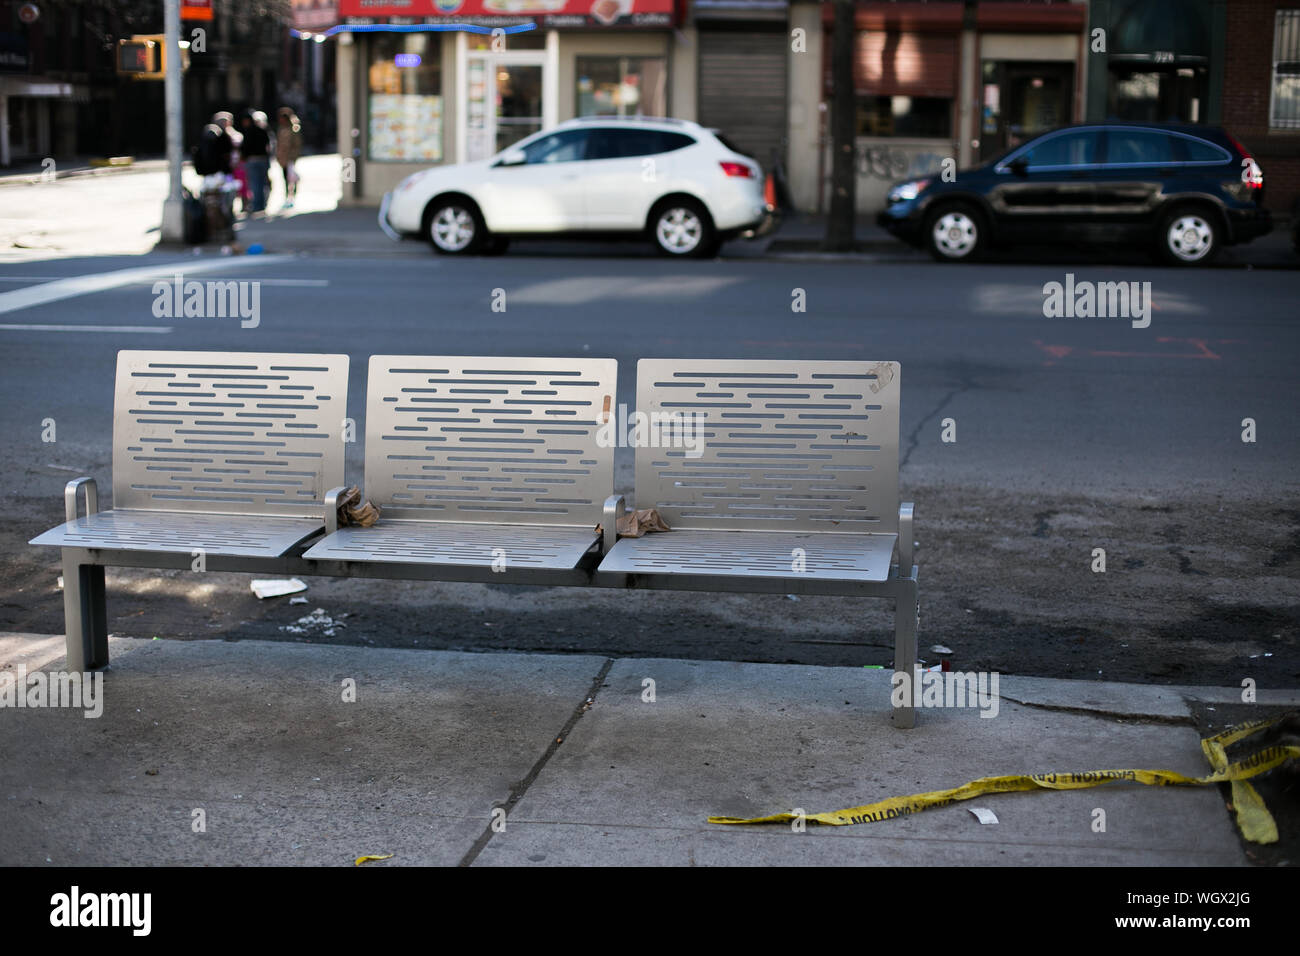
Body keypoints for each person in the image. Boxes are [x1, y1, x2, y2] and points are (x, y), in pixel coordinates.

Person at [192, 113, 235, 242]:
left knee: (212, 203)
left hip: (209, 178)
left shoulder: (202, 146)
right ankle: (221, 226)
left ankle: (215, 227)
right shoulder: (217, 143)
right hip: (218, 177)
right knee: (221, 204)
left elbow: (198, 164)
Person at [239, 109, 273, 214]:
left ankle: (257, 206)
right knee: (262, 183)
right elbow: (268, 146)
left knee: (255, 184)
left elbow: (245, 148)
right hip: (262, 159)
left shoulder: (248, 132)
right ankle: (261, 205)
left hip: (253, 160)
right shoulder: (262, 130)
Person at [276, 107, 303, 209]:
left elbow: (297, 144)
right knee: (285, 178)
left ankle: (292, 196)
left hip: (290, 158)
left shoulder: (294, 128)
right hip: (282, 159)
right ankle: (287, 196)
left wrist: (293, 156)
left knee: (291, 177)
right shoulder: (281, 129)